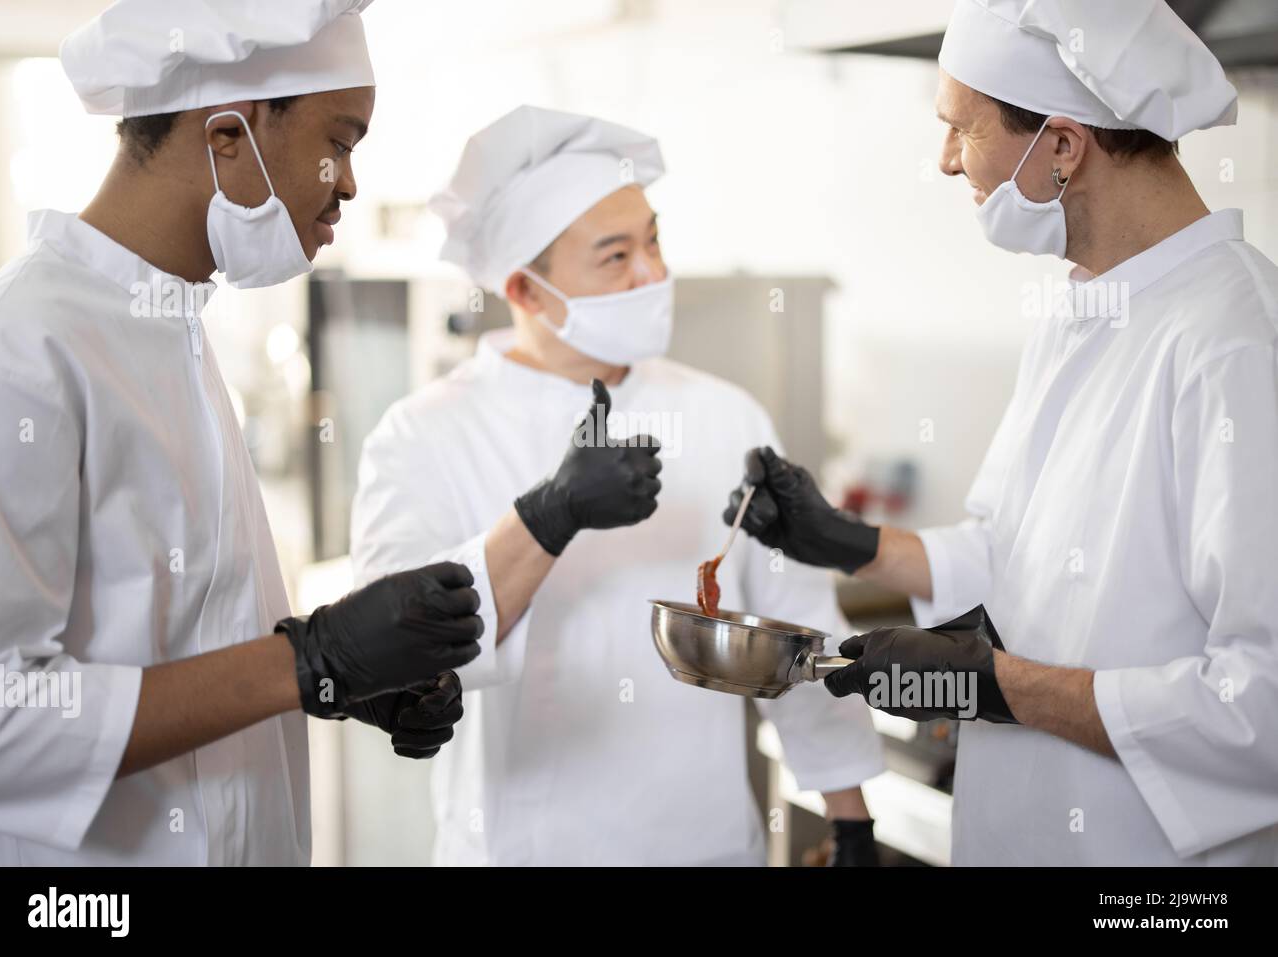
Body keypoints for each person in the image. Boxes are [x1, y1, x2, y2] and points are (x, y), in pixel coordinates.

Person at [726, 0, 1278, 865]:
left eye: (961, 130)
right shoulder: (1085, 313)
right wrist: (842, 539)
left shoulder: (1238, 344)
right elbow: (1011, 558)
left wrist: (998, 685)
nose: (946, 161)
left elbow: (1263, 705)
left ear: (1063, 146)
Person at [0, 0, 479, 866]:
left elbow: (169, 642)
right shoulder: (24, 346)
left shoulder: (170, 327)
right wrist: (304, 661)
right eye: (342, 140)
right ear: (228, 137)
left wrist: (341, 677)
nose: (349, 184)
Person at [351, 105, 885, 866]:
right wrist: (548, 515)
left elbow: (801, 633)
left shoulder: (726, 413)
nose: (654, 274)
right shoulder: (425, 434)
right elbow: (388, 656)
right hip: (526, 850)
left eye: (654, 240)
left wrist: (851, 822)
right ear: (527, 290)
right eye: (616, 256)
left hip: (708, 845)